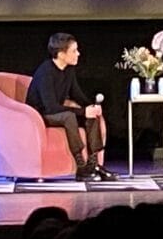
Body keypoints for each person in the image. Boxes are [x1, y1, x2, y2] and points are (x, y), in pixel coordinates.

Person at [26, 33, 116, 181]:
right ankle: (80, 166)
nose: (78, 54)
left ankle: (93, 164)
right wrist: (82, 111)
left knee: (91, 114)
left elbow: (76, 94)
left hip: (56, 111)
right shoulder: (45, 72)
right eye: (74, 51)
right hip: (40, 115)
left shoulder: (68, 70)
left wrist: (90, 107)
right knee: (69, 116)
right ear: (61, 54)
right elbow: (50, 107)